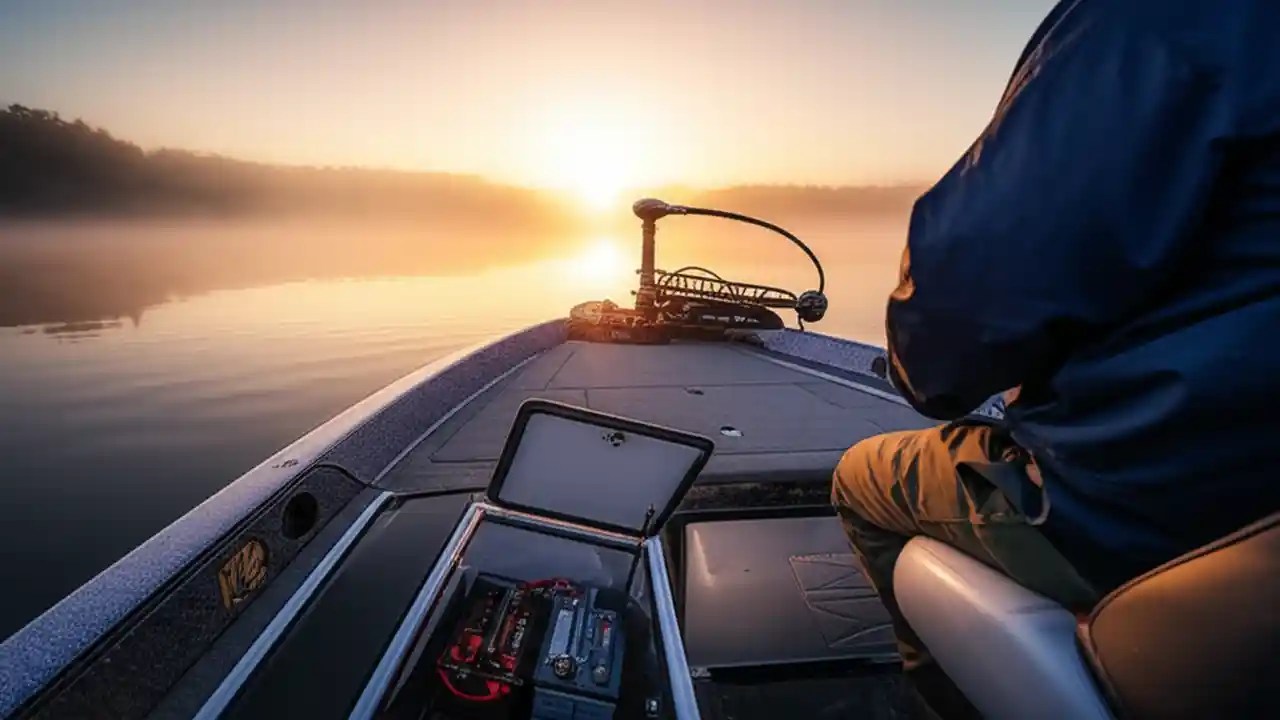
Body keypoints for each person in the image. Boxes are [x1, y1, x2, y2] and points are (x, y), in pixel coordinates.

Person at [831, 0, 1280, 716]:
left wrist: (928, 357)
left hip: (1151, 508)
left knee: (862, 480)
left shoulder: (1160, 19)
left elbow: (950, 330)